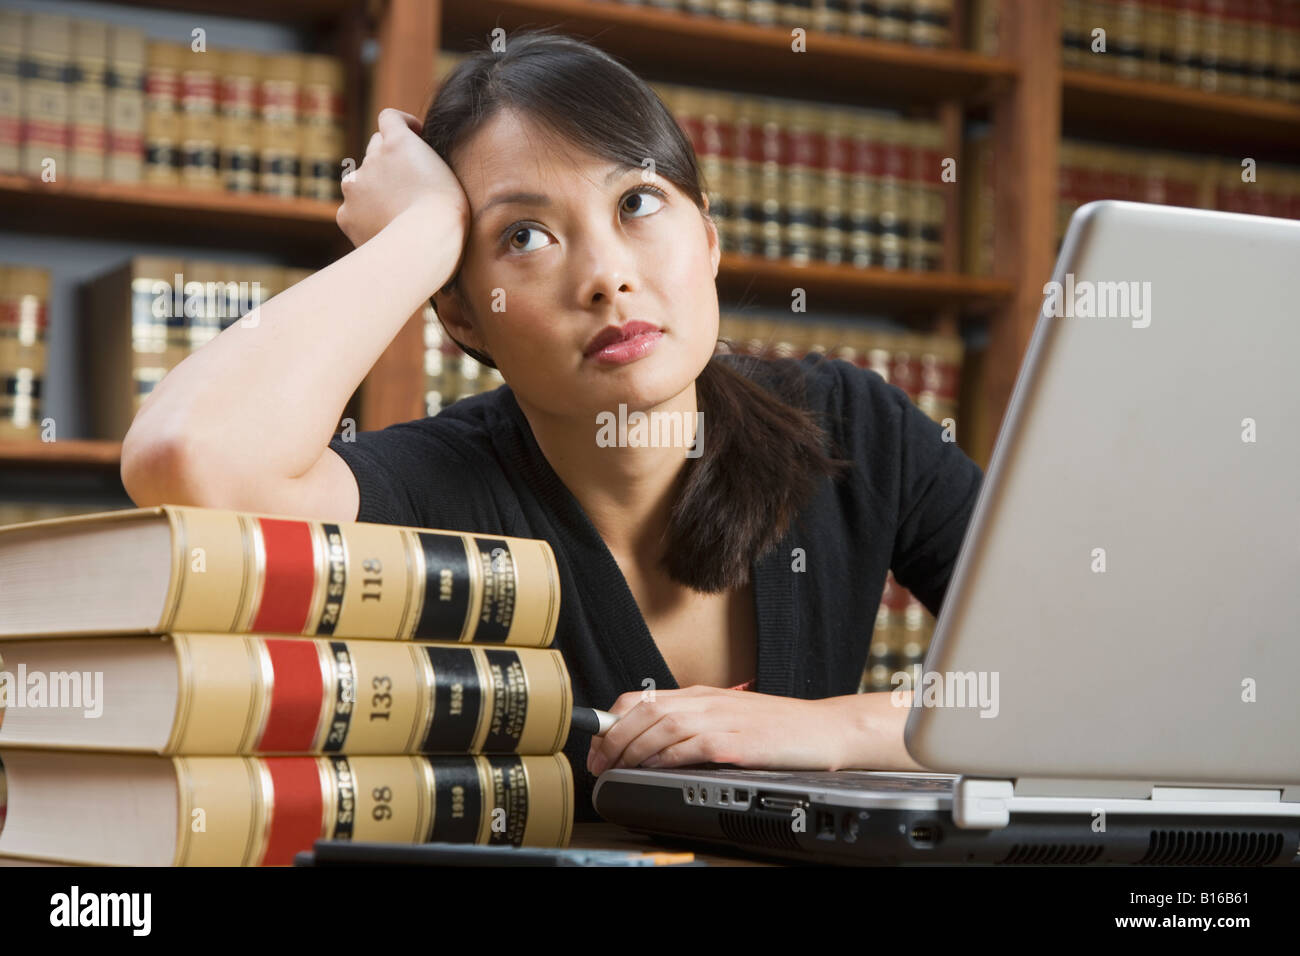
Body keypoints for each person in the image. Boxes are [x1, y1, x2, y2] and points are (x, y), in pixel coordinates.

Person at [120, 28, 984, 822]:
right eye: (525, 236)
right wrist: (421, 236)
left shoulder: (853, 426)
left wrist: (833, 732)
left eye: (638, 203)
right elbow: (187, 459)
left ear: (710, 242)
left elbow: (1099, 679)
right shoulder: (440, 488)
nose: (607, 276)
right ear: (463, 319)